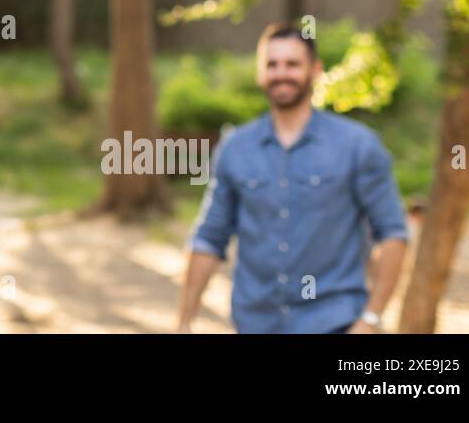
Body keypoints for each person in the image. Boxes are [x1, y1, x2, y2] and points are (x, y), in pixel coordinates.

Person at [176, 24, 410, 333]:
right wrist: (184, 322)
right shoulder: (236, 148)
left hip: (334, 323)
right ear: (261, 73)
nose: (281, 73)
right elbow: (209, 238)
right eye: (272, 64)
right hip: (254, 323)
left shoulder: (358, 147)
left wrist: (371, 318)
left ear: (315, 70)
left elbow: (393, 233)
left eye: (292, 64)